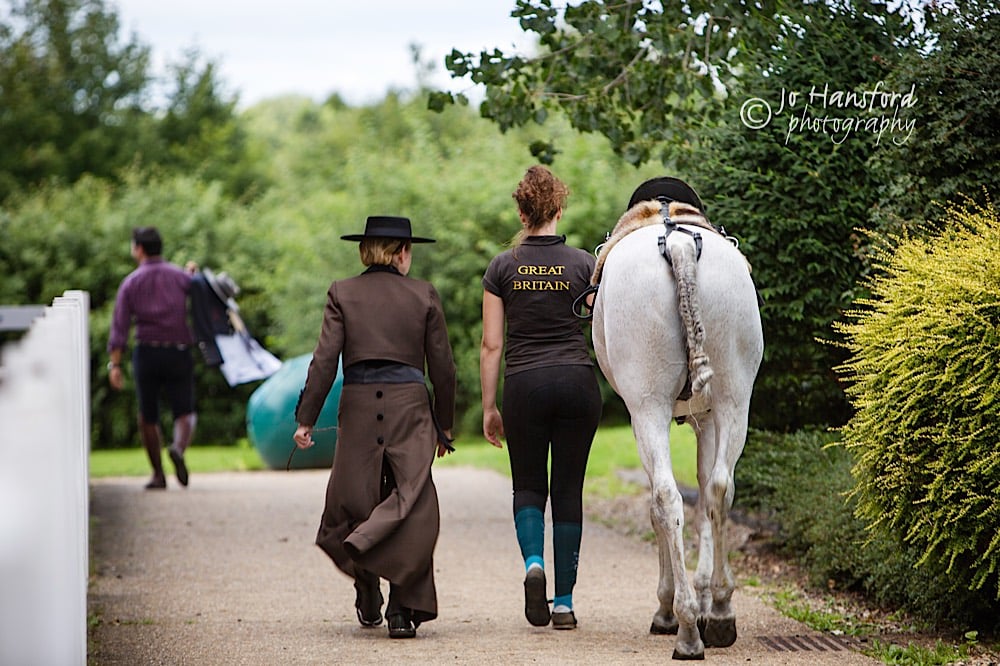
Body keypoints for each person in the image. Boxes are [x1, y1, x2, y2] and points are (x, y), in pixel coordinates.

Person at [293, 215, 456, 640]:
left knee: (353, 498)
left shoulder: (342, 293)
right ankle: (401, 609)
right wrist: (445, 426)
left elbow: (324, 360)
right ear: (402, 252)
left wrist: (306, 418)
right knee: (413, 501)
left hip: (360, 405)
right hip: (410, 406)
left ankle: (366, 585)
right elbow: (443, 368)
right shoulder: (423, 294)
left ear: (366, 250)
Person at [480, 165, 603, 630]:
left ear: (520, 210)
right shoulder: (584, 264)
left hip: (525, 386)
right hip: (577, 382)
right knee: (568, 490)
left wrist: (490, 406)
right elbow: (600, 326)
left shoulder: (502, 266)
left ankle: (534, 563)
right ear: (558, 208)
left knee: (529, 486)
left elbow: (492, 344)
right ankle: (565, 603)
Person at [108, 226, 197, 490]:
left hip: (146, 352)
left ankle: (158, 475)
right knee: (186, 410)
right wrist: (192, 273)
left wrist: (115, 364)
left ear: (139, 249)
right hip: (178, 351)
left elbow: (120, 326)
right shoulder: (180, 277)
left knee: (148, 415)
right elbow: (199, 296)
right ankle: (179, 447)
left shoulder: (131, 282)